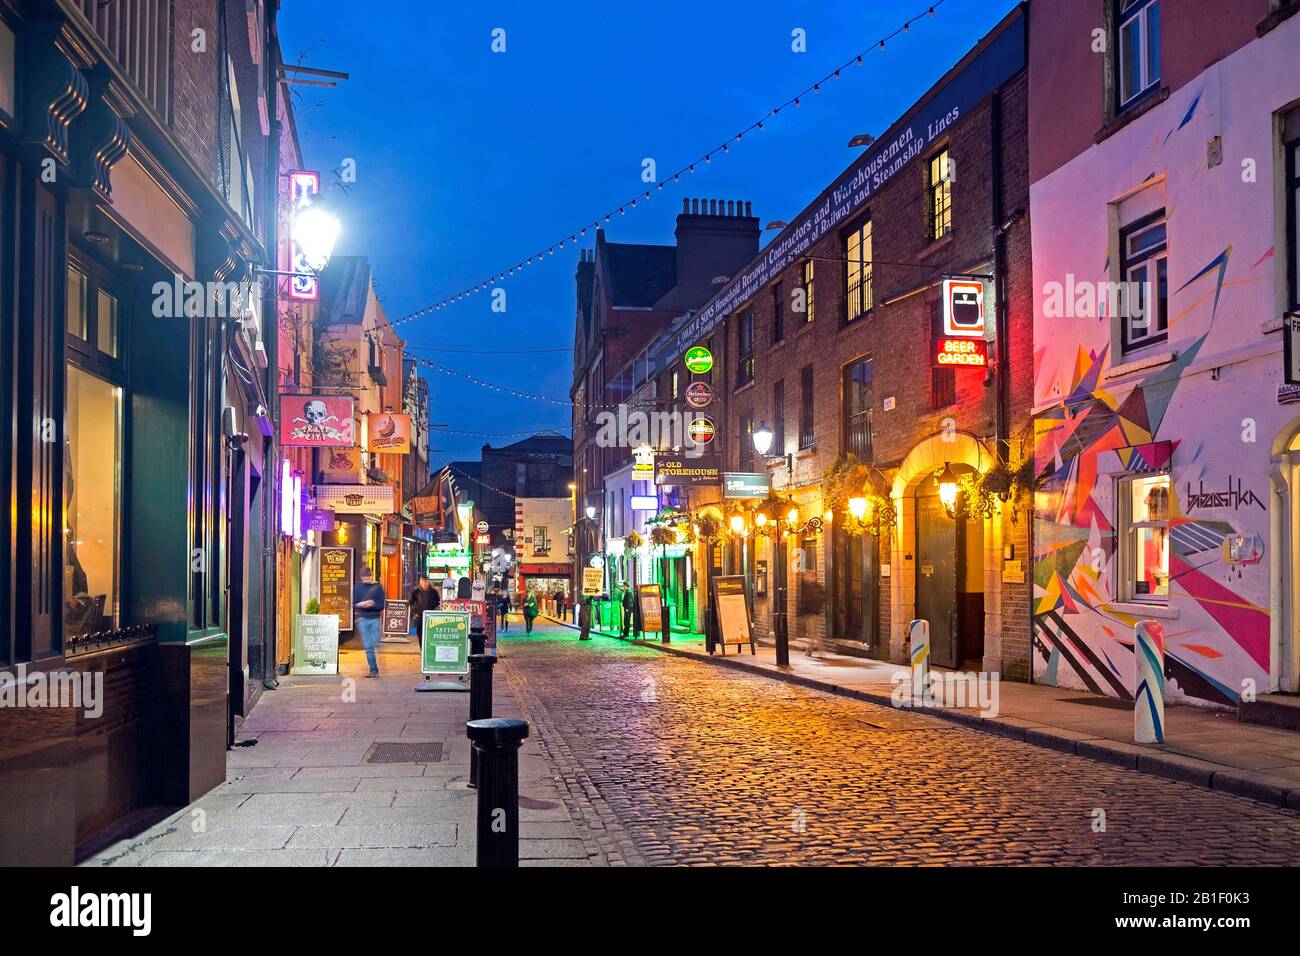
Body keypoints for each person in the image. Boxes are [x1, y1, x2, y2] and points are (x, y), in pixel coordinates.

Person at [352, 566, 386, 677]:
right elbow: (352, 603)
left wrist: (373, 604)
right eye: (365, 578)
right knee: (368, 647)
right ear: (361, 577)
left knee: (374, 642)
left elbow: (382, 605)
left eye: (369, 577)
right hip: (363, 619)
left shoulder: (378, 587)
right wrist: (359, 604)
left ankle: (373, 668)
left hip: (375, 618)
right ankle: (373, 670)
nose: (368, 580)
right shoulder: (357, 587)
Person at [408, 575, 439, 641]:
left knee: (430, 635)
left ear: (429, 582)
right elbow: (410, 603)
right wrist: (414, 613)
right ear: (420, 582)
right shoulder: (415, 592)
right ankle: (422, 650)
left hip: (430, 617)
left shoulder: (434, 592)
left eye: (426, 582)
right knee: (420, 635)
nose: (424, 584)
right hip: (419, 616)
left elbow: (438, 603)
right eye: (423, 582)